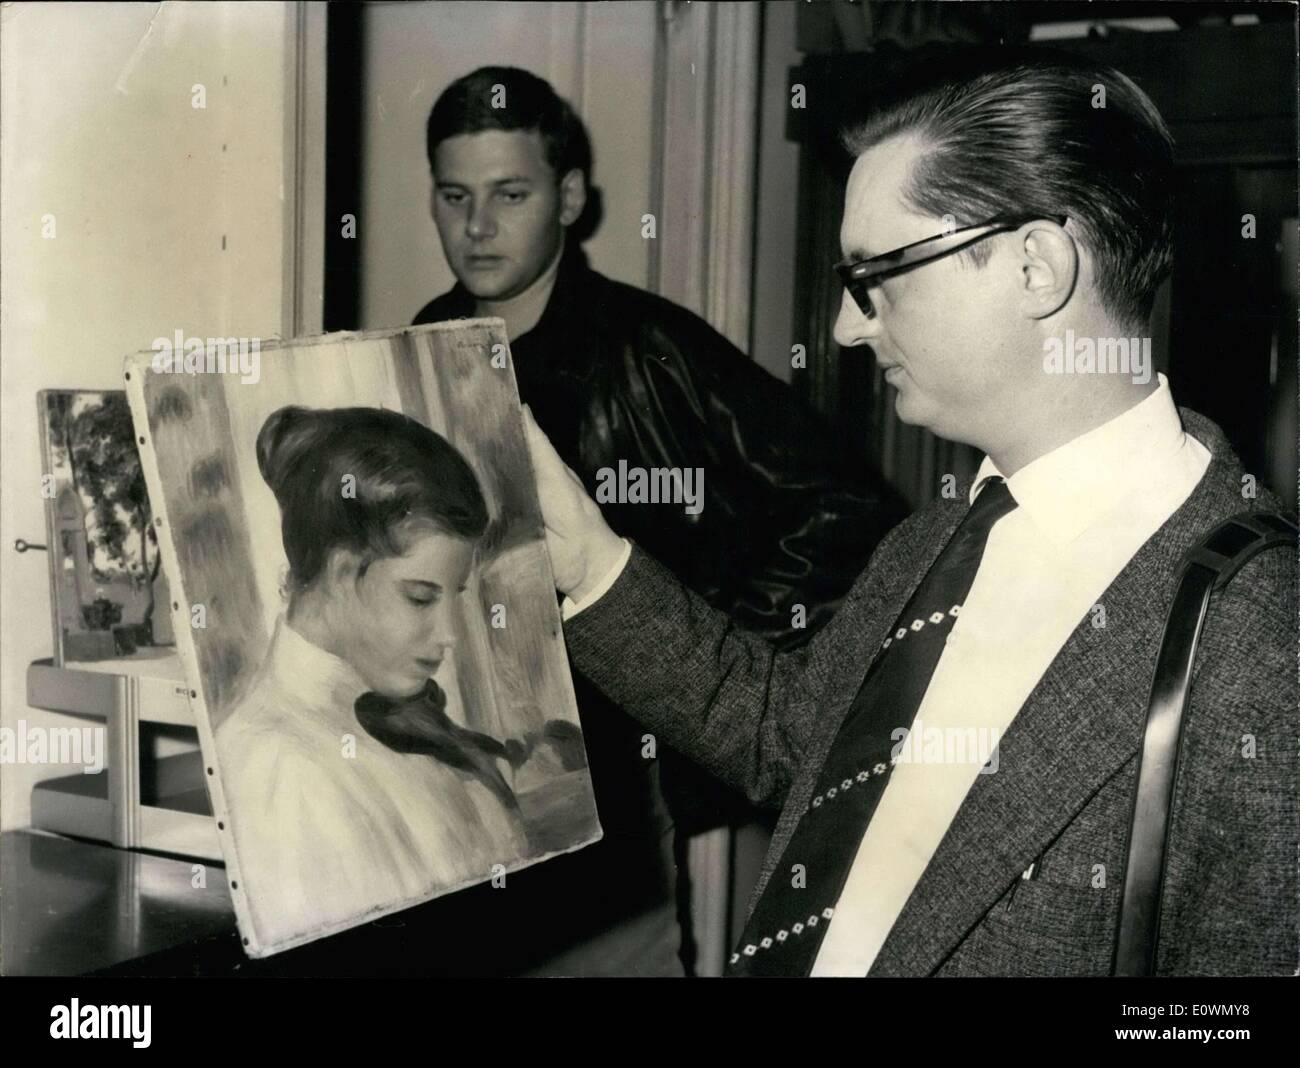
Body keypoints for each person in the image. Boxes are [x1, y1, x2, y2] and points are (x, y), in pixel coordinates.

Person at [523, 50, 1298, 977]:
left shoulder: (1261, 629)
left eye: (879, 274)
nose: (850, 328)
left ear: (1035, 266)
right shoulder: (934, 542)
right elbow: (787, 739)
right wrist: (588, 559)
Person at [412, 66, 906, 975]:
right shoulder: (420, 343)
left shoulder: (652, 348)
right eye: (455, 196)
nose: (477, 226)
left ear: (567, 198)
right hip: (464, 764)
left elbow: (847, 511)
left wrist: (702, 665)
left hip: (614, 788)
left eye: (509, 193)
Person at [217, 405, 565, 952]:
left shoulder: (397, 715)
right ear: (339, 574)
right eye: (420, 597)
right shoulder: (280, 769)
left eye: (456, 597)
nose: (451, 633)